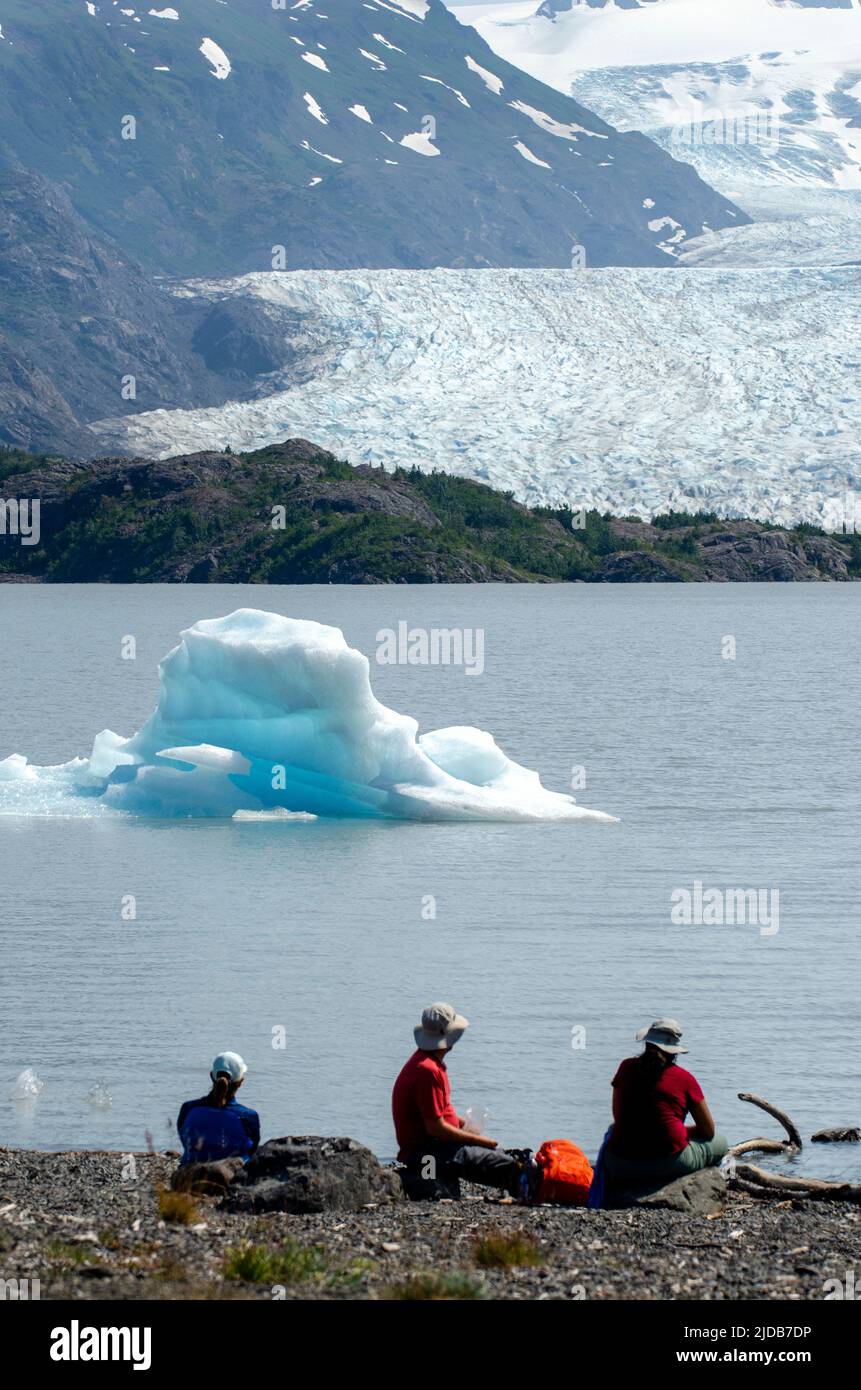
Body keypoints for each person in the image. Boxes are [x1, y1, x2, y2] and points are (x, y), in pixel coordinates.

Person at [392, 1002, 526, 1196]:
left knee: (501, 1155)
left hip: (430, 1148)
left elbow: (439, 1112)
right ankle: (529, 1190)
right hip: (425, 1156)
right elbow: (435, 1127)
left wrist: (463, 1125)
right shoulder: (427, 1071)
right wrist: (479, 1140)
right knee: (504, 1164)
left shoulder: (427, 1063)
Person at [603, 1018, 728, 1191]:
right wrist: (680, 1131)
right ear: (674, 1051)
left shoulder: (625, 1067)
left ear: (647, 1043)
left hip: (620, 1164)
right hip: (668, 1164)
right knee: (720, 1143)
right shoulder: (685, 1079)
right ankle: (713, 1184)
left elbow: (619, 1117)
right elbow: (708, 1130)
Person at [176, 1051, 260, 1168]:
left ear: (211, 1076)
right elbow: (252, 1150)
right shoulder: (248, 1116)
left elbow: (184, 1140)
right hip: (234, 1178)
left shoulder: (188, 1108)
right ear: (241, 1082)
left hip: (189, 1175)